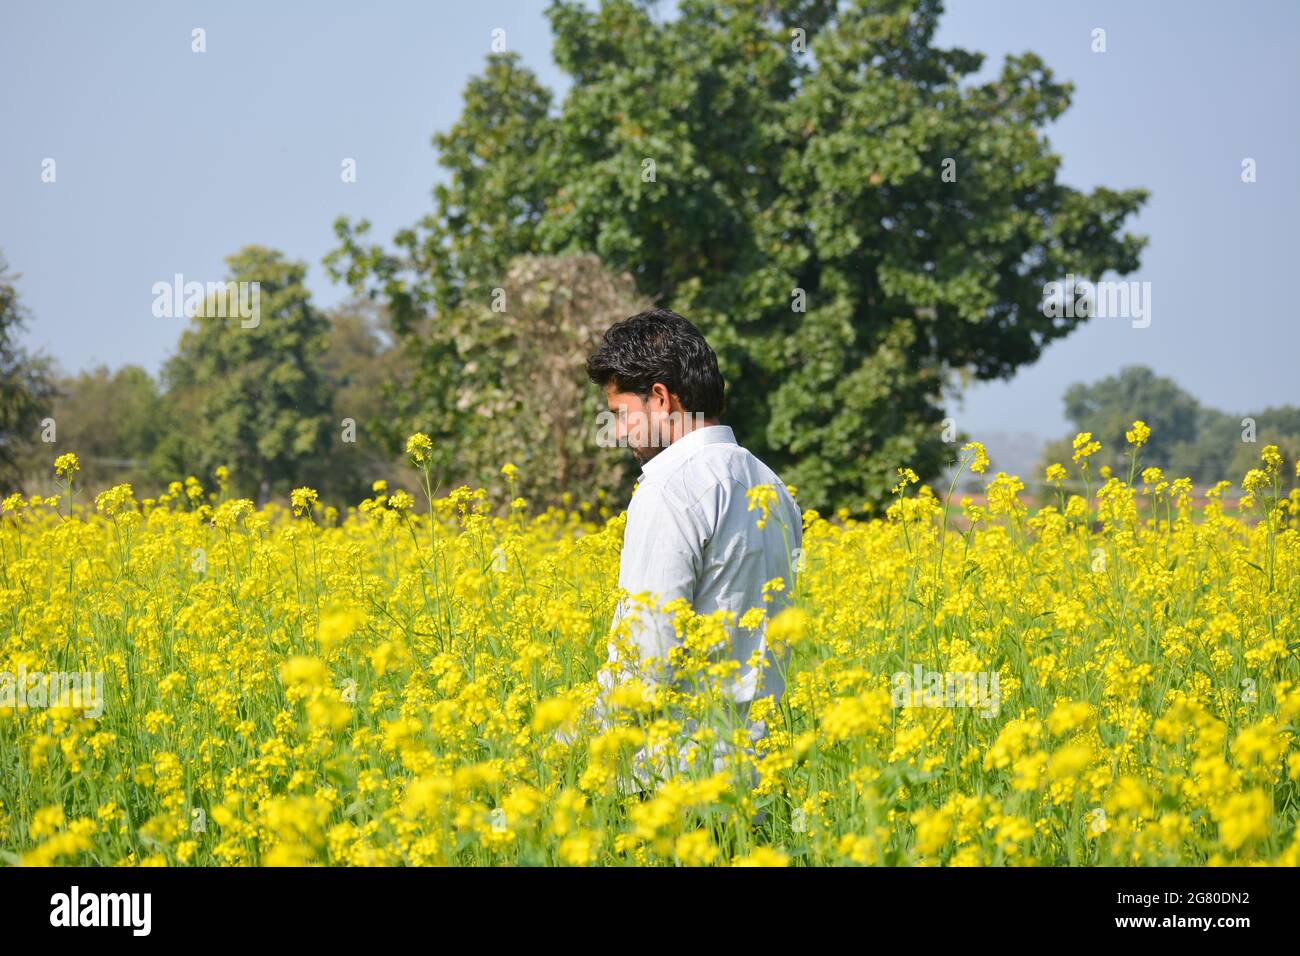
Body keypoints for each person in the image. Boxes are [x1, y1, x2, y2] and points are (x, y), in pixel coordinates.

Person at [582, 308, 802, 798]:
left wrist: (578, 749)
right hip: (756, 779)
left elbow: (648, 649)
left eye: (620, 415)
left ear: (660, 398)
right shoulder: (771, 484)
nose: (617, 433)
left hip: (673, 779)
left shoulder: (670, 488)